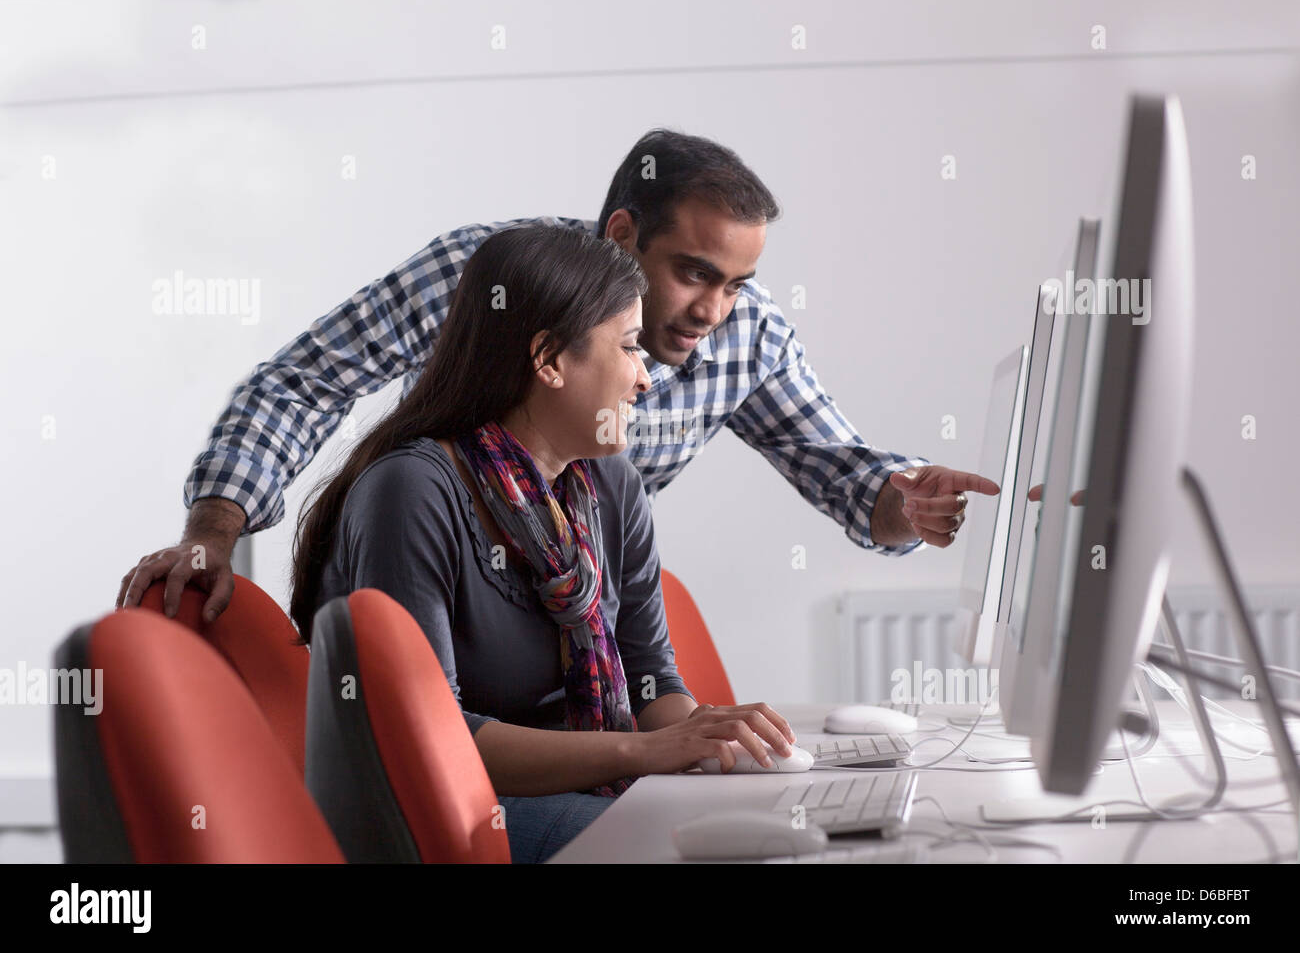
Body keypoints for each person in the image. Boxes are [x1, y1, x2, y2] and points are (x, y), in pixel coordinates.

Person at [118, 126, 997, 625]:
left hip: (564, 627)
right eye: (694, 273)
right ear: (620, 236)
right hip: (429, 611)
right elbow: (300, 383)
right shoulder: (485, 277)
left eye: (737, 285)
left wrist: (904, 500)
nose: (714, 313)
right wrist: (215, 533)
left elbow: (847, 474)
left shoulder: (744, 339)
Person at [296, 224, 799, 863]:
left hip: (584, 786)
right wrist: (645, 753)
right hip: (442, 811)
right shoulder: (413, 491)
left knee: (760, 828)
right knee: (694, 849)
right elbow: (434, 741)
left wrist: (717, 748)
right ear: (549, 359)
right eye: (629, 347)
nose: (645, 379)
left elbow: (651, 678)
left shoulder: (612, 483)